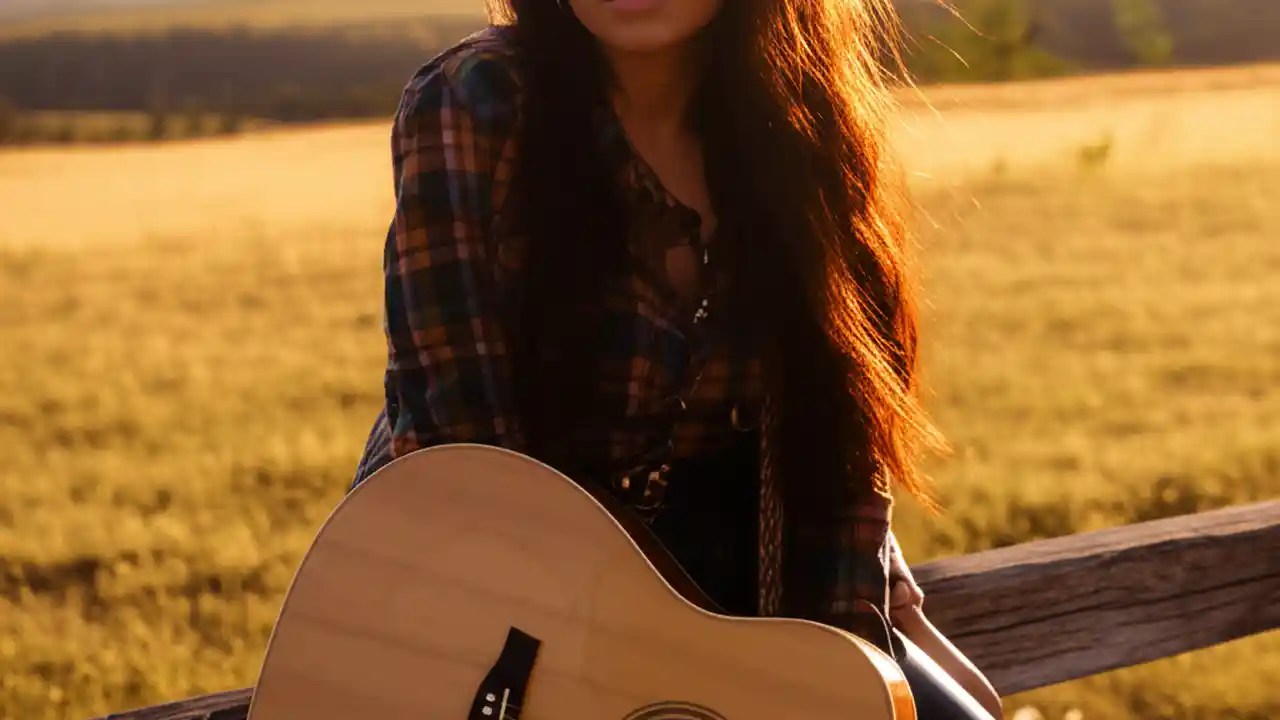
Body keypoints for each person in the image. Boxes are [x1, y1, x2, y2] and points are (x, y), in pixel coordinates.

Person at [351, 0, 1002, 715]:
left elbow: (839, 454)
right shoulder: (473, 105)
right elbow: (461, 455)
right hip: (496, 621)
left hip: (739, 599)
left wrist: (830, 670)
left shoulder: (807, 122)